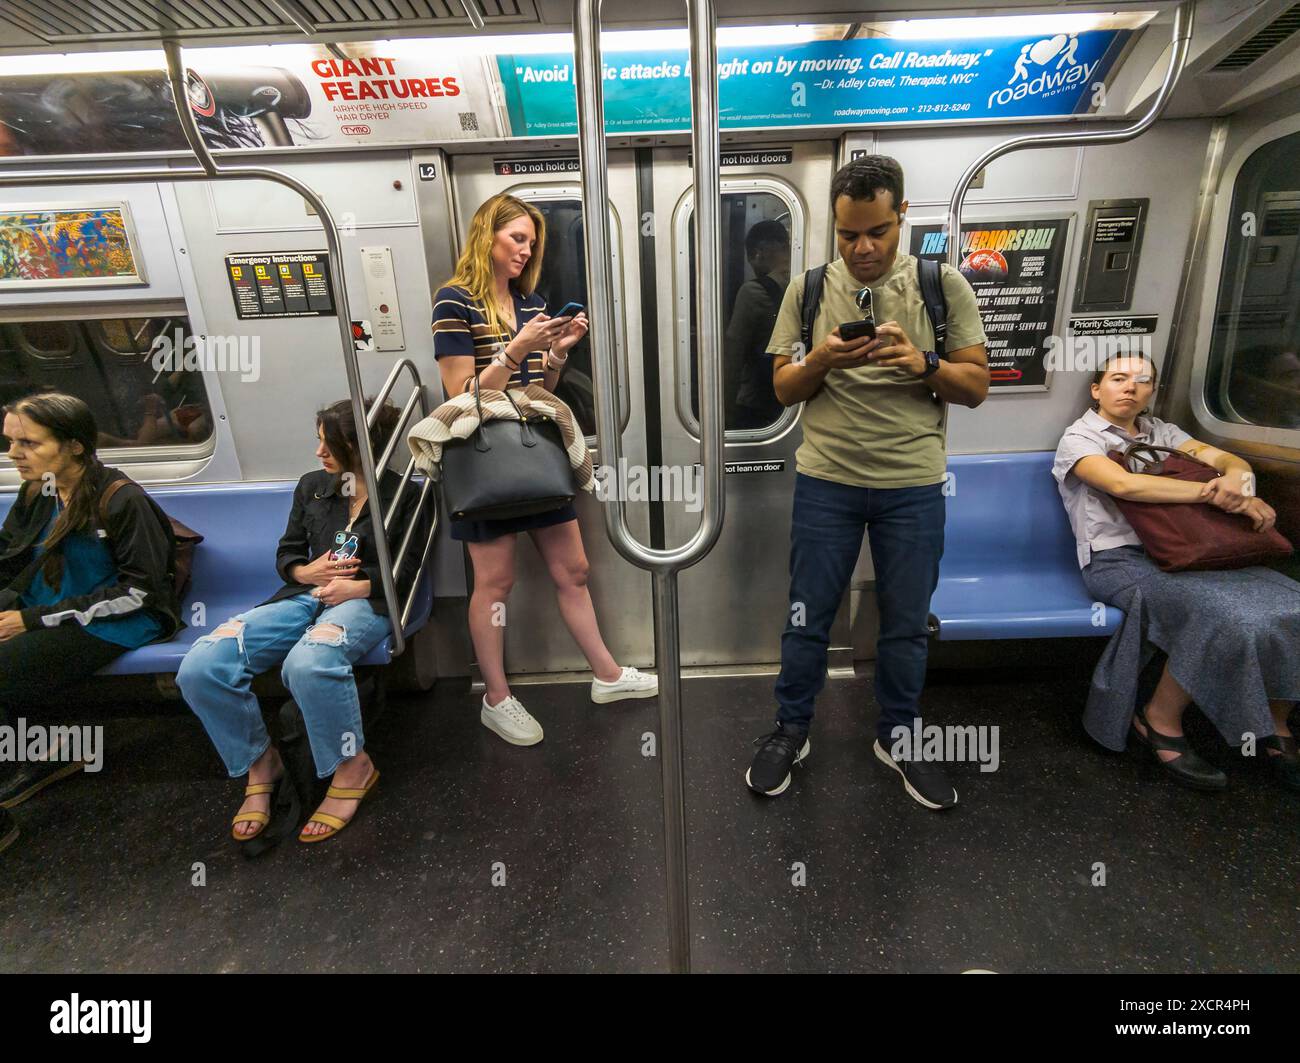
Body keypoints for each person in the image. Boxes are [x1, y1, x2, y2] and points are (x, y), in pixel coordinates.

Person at [745, 156, 989, 807]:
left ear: (901, 216)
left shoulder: (943, 286)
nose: (863, 248)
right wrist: (822, 355)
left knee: (906, 623)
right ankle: (791, 729)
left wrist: (922, 361)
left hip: (912, 485)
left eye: (877, 231)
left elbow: (976, 387)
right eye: (850, 233)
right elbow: (781, 386)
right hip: (828, 481)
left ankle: (900, 736)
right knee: (807, 619)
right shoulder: (810, 289)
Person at [432, 192, 656, 747]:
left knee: (573, 570)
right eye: (516, 239)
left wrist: (557, 354)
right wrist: (514, 350)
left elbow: (537, 392)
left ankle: (605, 674)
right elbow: (459, 394)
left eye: (531, 242)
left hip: (536, 450)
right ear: (487, 236)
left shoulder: (533, 305)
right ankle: (496, 697)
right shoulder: (453, 301)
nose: (525, 251)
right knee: (496, 582)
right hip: (484, 457)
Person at [176, 399, 420, 844]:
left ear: (357, 445)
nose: (318, 453)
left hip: (367, 600)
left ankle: (353, 766)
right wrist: (305, 572)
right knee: (203, 664)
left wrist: (361, 587)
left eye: (328, 443)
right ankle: (259, 761)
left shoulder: (407, 493)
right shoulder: (313, 488)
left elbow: (410, 570)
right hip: (304, 594)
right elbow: (288, 552)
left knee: (308, 663)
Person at [1053, 353, 1299, 791]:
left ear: (1152, 392)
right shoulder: (1079, 438)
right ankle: (1159, 718)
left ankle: (1275, 723)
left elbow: (1227, 461)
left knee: (1290, 606)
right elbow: (1124, 484)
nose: (1130, 387)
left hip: (1189, 553)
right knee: (1218, 613)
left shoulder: (1162, 432)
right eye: (1118, 378)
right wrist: (1213, 495)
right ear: (1096, 389)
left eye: (1142, 381)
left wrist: (1239, 482)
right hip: (1119, 561)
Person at [0, 392, 180, 852]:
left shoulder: (121, 500)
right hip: (50, 607)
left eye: (29, 444)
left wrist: (31, 621)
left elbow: (141, 593)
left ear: (75, 445)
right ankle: (43, 747)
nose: (15, 455)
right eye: (11, 443)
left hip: (117, 620)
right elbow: (8, 560)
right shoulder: (37, 491)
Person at [727, 219, 791, 429]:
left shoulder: (752, 292)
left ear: (759, 253)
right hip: (790, 398)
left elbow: (733, 357)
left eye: (751, 256)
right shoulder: (802, 285)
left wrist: (724, 414)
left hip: (756, 404)